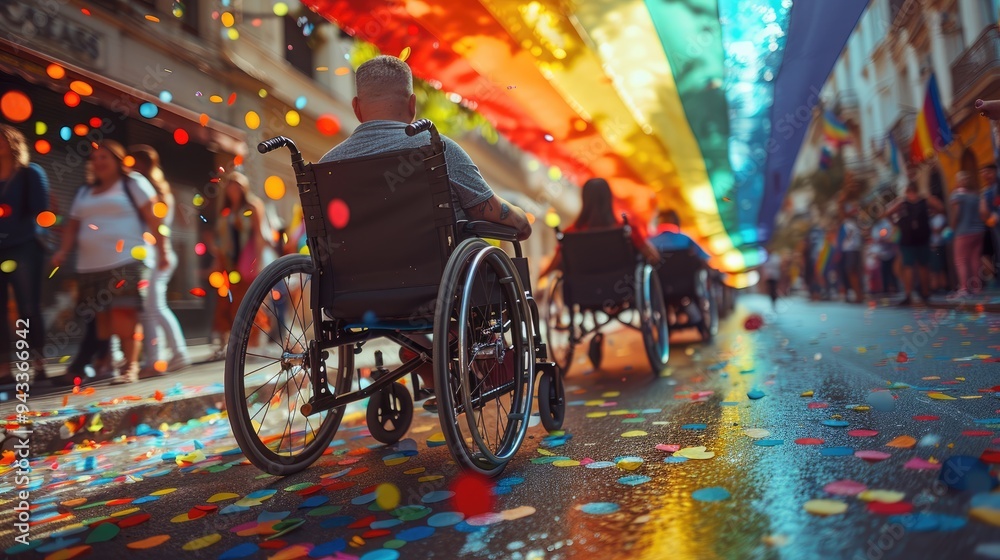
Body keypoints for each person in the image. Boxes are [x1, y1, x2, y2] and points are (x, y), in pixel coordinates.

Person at [319, 55, 533, 410]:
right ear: (413, 104)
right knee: (479, 253)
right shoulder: (438, 149)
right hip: (436, 290)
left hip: (353, 298)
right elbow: (489, 211)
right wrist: (522, 221)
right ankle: (458, 358)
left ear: (357, 108)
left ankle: (427, 358)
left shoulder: (327, 168)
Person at [51, 141, 168, 384]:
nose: (99, 162)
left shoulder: (133, 183)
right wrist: (62, 251)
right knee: (102, 323)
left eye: (104, 157)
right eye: (95, 158)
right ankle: (109, 365)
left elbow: (153, 218)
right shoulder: (84, 191)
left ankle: (130, 368)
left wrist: (163, 250)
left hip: (126, 261)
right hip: (89, 267)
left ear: (117, 159)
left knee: (124, 318)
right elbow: (72, 226)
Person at [129, 145, 189, 375]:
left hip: (156, 255)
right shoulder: (159, 189)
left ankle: (171, 355)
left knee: (153, 307)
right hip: (156, 254)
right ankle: (160, 357)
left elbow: (159, 226)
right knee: (150, 308)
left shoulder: (152, 191)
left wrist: (162, 253)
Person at [204, 172, 276, 361]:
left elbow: (259, 235)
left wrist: (258, 262)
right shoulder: (225, 211)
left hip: (247, 263)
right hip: (228, 265)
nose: (233, 188)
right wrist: (215, 263)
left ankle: (253, 345)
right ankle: (228, 345)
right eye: (230, 184)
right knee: (225, 304)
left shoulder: (253, 206)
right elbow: (220, 241)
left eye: (237, 184)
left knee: (251, 302)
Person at [0, 125, 49, 385]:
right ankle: (4, 369)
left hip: (25, 246)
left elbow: (41, 208)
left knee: (28, 306)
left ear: (12, 143)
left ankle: (38, 365)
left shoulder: (30, 173)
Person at [539, 179, 660, 278]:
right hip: (622, 289)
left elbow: (556, 263)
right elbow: (653, 257)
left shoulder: (569, 234)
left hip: (583, 292)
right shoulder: (627, 230)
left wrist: (540, 277)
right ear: (609, 198)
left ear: (584, 199)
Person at [885, 182, 944, 305]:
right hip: (915, 239)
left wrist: (895, 224)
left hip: (915, 239)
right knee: (917, 266)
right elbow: (940, 208)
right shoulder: (913, 202)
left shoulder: (910, 202)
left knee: (915, 266)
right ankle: (919, 293)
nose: (911, 194)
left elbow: (888, 213)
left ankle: (916, 293)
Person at [950, 170, 985, 296]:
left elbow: (957, 213)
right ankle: (976, 287)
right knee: (975, 259)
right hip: (978, 231)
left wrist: (952, 228)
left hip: (963, 231)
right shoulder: (976, 195)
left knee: (961, 260)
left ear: (959, 181)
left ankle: (964, 288)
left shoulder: (957, 195)